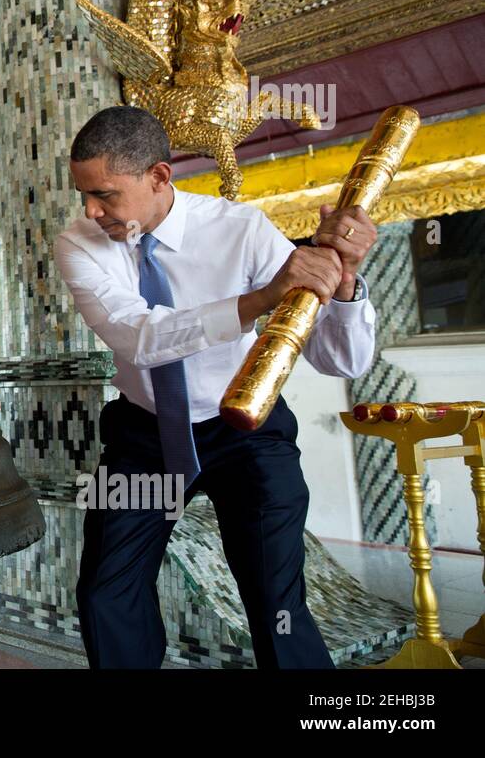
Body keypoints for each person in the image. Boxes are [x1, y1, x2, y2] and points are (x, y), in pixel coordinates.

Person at [54, 105, 377, 669]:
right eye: (84, 193)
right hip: (144, 438)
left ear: (159, 177)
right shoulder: (80, 243)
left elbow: (339, 360)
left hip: (245, 431)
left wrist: (344, 284)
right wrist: (259, 301)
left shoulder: (243, 230)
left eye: (105, 194)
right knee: (108, 593)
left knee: (276, 602)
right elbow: (140, 337)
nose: (90, 209)